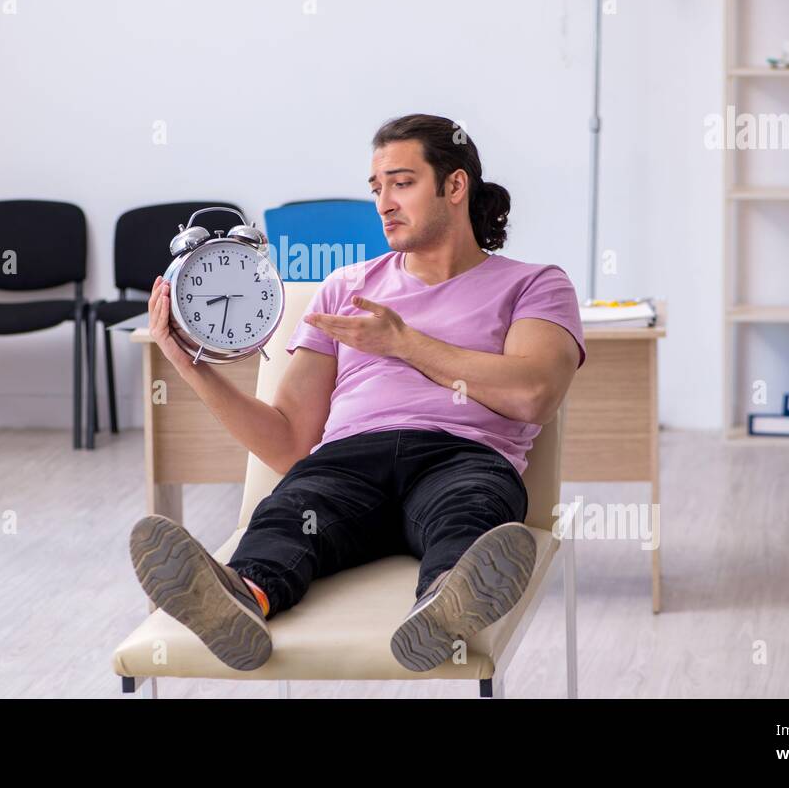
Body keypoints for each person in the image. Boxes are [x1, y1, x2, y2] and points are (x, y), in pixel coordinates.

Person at [129, 112, 585, 673]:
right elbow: (291, 442)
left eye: (402, 182)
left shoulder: (534, 284)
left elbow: (535, 392)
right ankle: (242, 599)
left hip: (464, 456)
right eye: (377, 188)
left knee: (468, 514)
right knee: (292, 511)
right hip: (348, 463)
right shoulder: (345, 286)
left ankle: (448, 606)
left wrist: (404, 343)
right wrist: (188, 363)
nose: (384, 202)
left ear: (455, 185)